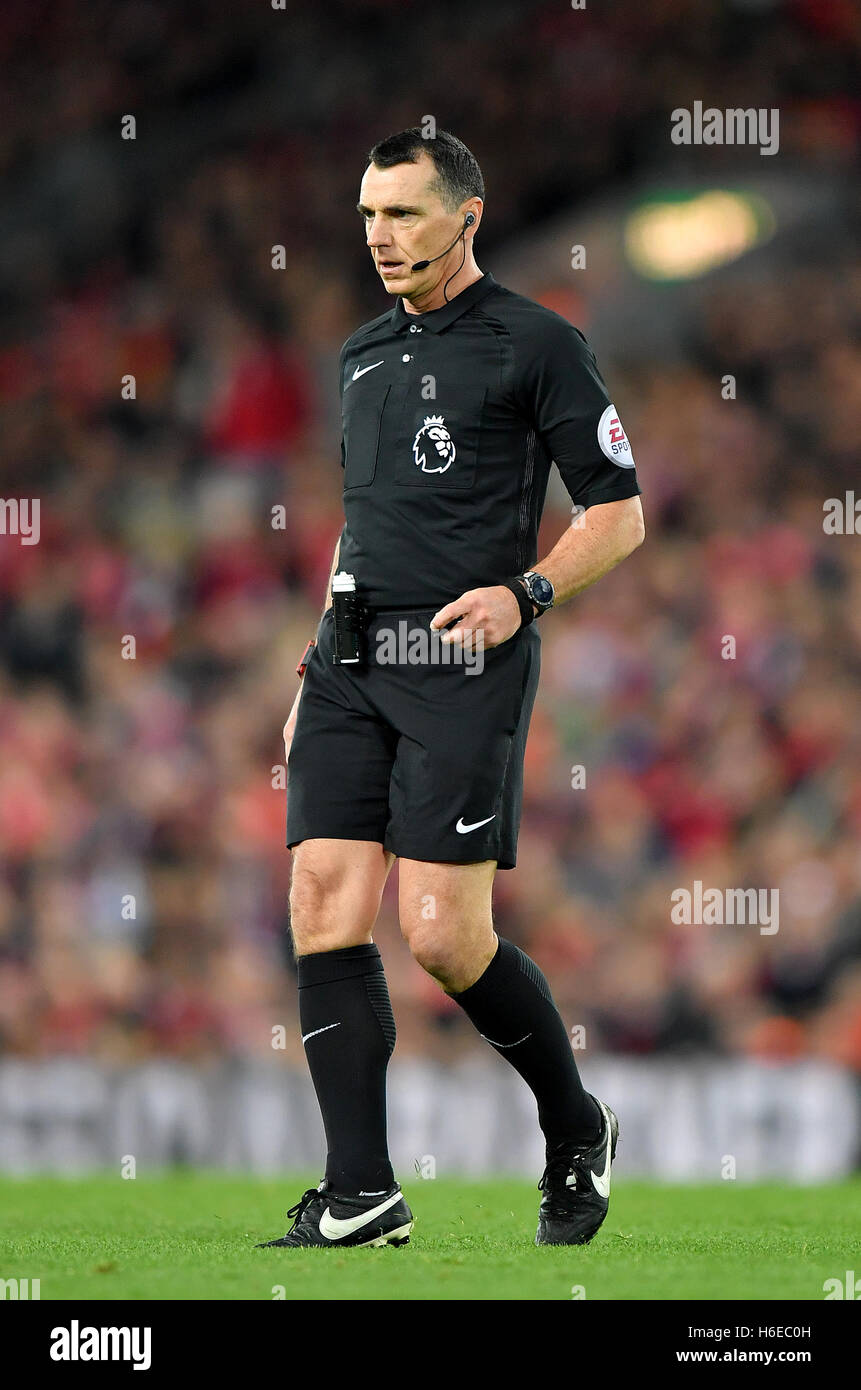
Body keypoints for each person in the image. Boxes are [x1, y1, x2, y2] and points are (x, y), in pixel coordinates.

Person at [257, 129, 645, 1251]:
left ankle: (575, 1125)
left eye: (406, 214)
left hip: (460, 664)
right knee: (321, 900)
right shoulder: (362, 355)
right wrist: (314, 656)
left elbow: (618, 512)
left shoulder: (538, 343)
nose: (381, 236)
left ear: (465, 217)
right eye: (370, 215)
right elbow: (365, 523)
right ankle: (358, 1191)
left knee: (440, 935)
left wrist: (527, 590)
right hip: (349, 656)